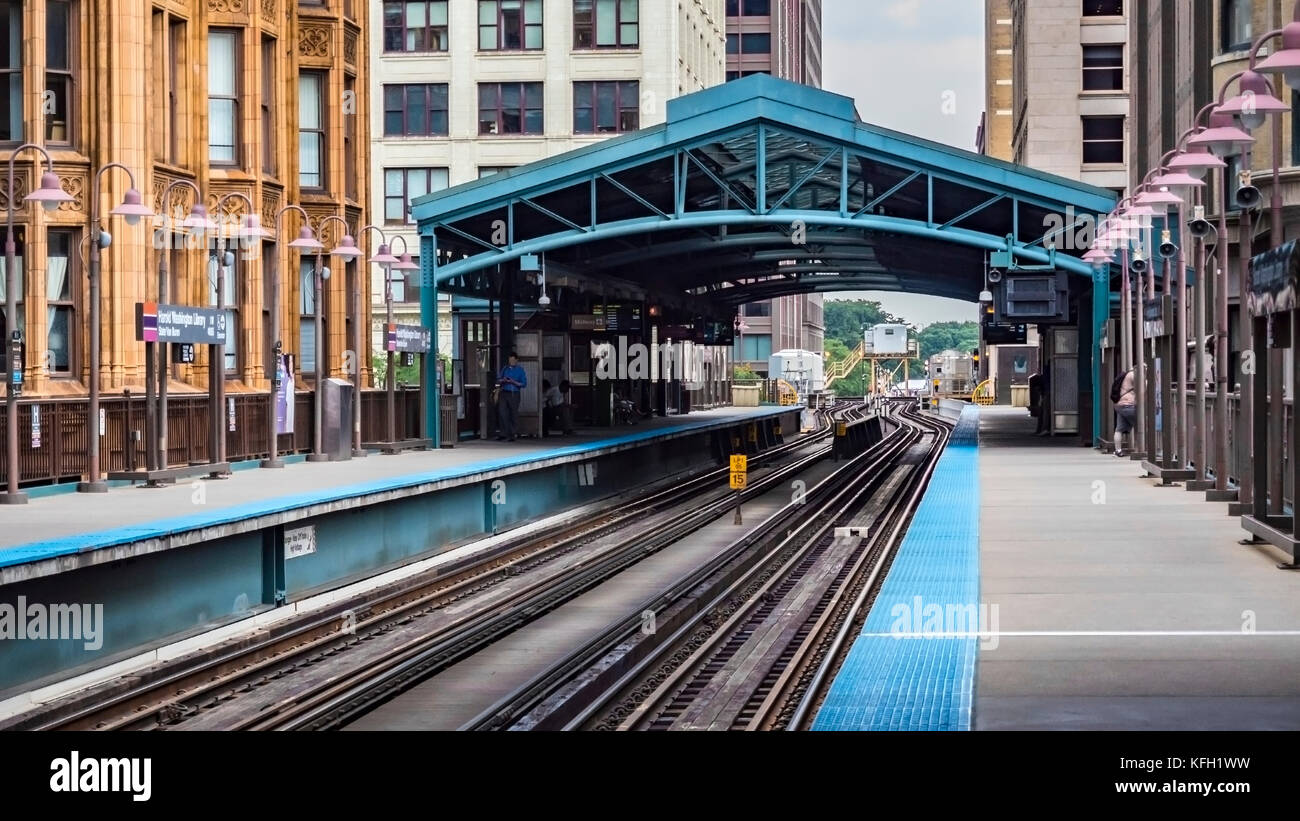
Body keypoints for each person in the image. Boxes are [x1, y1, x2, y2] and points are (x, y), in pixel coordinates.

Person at [495, 351, 526, 441]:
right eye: (510, 360)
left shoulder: (520, 370)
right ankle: (503, 433)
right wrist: (503, 380)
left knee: (513, 413)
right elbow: (498, 380)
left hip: (514, 393)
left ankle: (513, 434)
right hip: (504, 392)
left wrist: (513, 382)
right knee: (502, 412)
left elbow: (523, 384)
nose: (511, 362)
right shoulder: (505, 368)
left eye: (513, 360)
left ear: (516, 360)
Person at [1113, 367, 1137, 457]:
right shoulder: (1133, 375)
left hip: (1120, 405)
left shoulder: (1126, 375)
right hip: (1129, 405)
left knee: (1119, 429)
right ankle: (1141, 449)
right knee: (1142, 426)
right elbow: (1143, 387)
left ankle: (1118, 450)